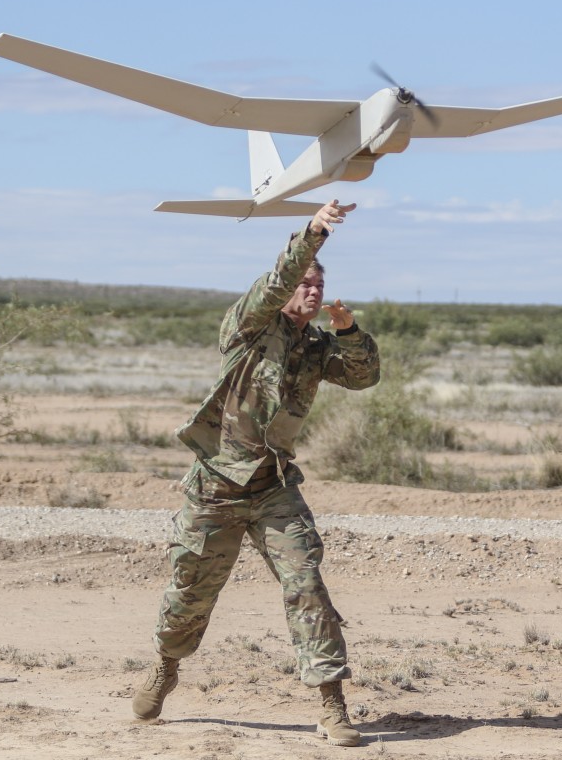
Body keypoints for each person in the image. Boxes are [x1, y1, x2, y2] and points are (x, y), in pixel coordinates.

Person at [132, 200, 380, 748]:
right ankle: (166, 666)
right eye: (305, 283)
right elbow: (275, 282)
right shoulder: (249, 325)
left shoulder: (316, 346)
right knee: (190, 594)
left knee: (307, 585)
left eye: (319, 285)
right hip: (215, 487)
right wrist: (313, 233)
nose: (312, 290)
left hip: (273, 488)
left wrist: (349, 332)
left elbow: (363, 377)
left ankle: (332, 705)